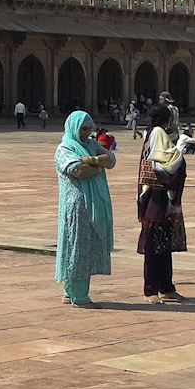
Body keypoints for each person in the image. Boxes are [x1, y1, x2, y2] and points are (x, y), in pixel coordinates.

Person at [54, 109, 115, 308]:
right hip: (77, 206)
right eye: (83, 128)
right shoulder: (65, 148)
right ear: (73, 127)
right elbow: (80, 171)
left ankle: (70, 291)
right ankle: (79, 296)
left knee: (81, 247)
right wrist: (98, 166)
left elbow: (111, 160)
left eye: (89, 128)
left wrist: (93, 161)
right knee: (78, 248)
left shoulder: (90, 145)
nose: (86, 132)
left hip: (93, 203)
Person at [138, 103, 188, 302]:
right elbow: (167, 159)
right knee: (153, 245)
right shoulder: (158, 132)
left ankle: (166, 287)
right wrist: (181, 150)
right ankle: (151, 290)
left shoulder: (151, 132)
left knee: (163, 243)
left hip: (159, 197)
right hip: (156, 198)